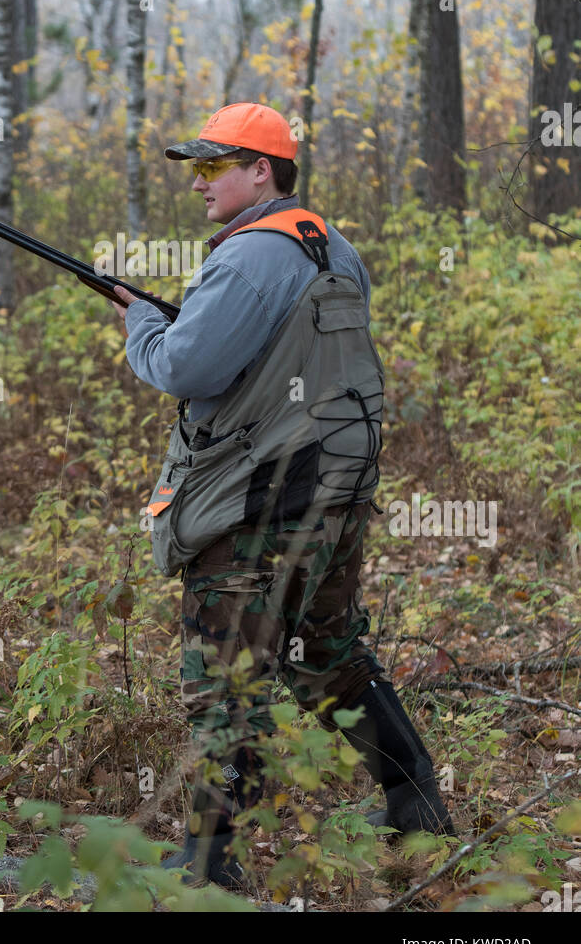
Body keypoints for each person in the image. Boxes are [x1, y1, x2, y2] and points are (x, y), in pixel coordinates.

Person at [112, 102, 454, 891]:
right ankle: (418, 808)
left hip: (257, 502)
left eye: (211, 166)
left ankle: (206, 867)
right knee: (329, 653)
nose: (198, 183)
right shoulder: (334, 247)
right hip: (335, 495)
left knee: (225, 675)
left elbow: (186, 371)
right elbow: (281, 357)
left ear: (260, 170)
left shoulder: (243, 259)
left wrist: (142, 330)